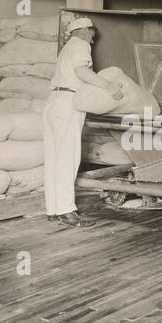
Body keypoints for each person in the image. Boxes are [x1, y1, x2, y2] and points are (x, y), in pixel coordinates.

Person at [42, 16, 123, 227]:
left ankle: (54, 209)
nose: (93, 40)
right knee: (68, 157)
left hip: (53, 102)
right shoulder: (80, 44)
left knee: (53, 157)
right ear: (85, 31)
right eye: (92, 34)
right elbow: (82, 71)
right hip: (68, 102)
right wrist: (108, 86)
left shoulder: (67, 47)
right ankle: (67, 211)